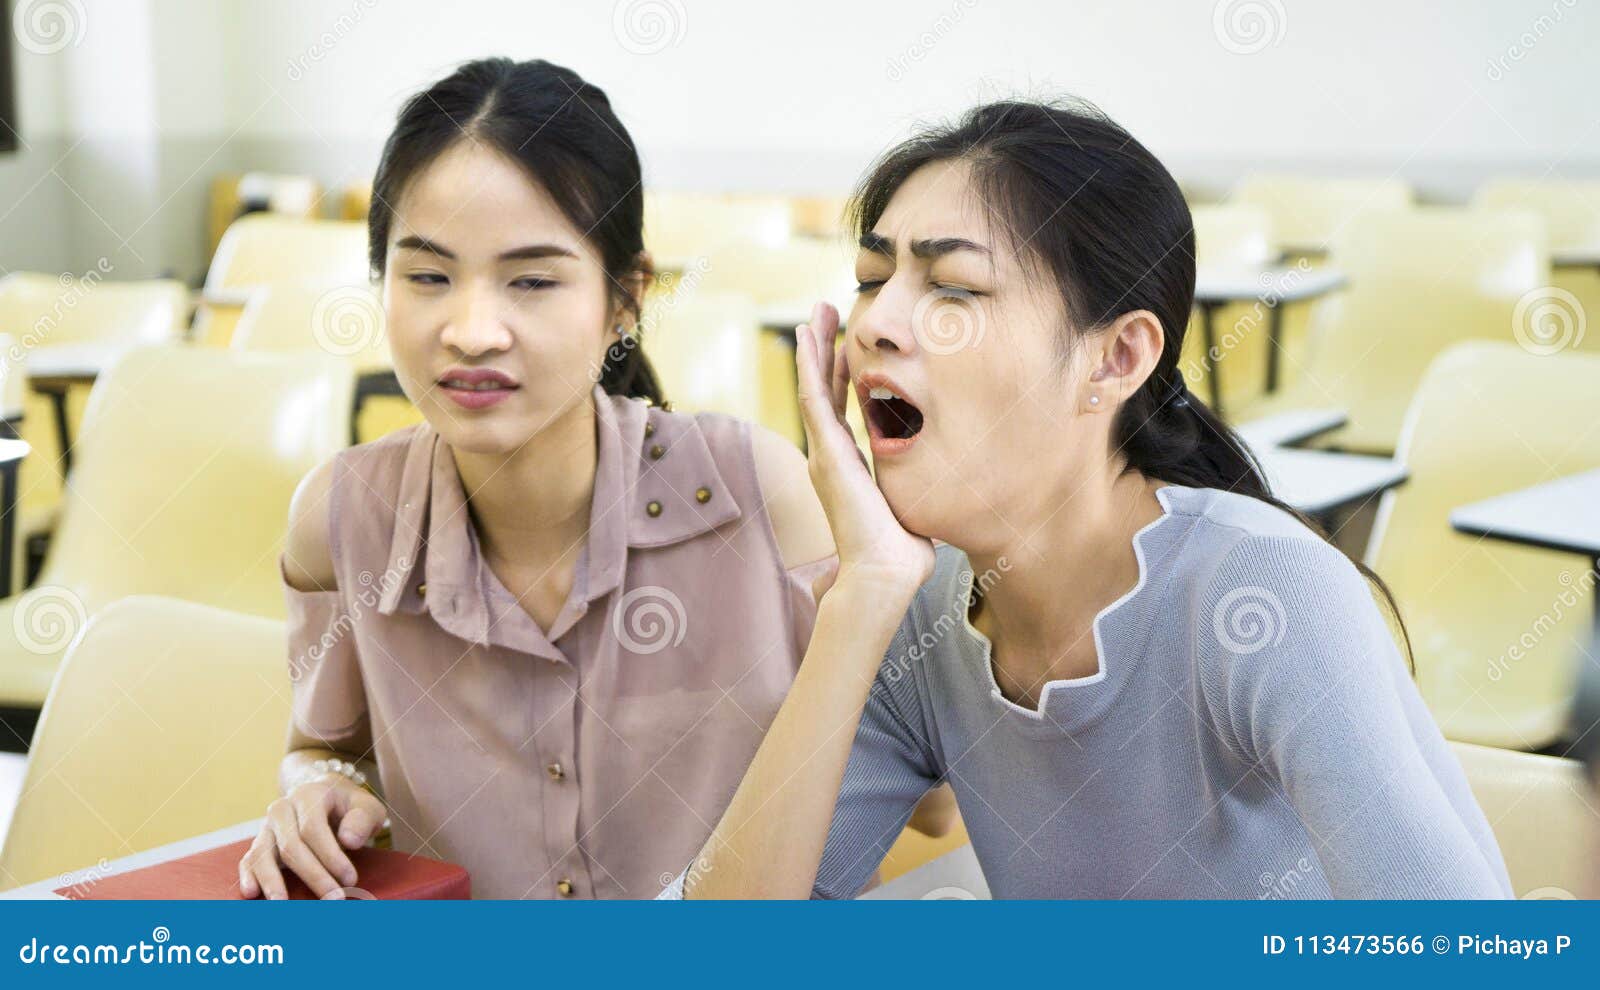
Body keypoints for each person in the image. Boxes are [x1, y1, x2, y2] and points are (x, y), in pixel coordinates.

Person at [667, 99, 1512, 899]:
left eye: (954, 288)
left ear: (1114, 359)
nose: (878, 323)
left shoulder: (1264, 595)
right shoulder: (918, 617)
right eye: (871, 277)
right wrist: (861, 603)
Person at [236, 57, 840, 899]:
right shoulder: (341, 518)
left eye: (531, 281)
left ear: (624, 298)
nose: (472, 331)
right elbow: (329, 749)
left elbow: (919, 798)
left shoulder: (763, 497)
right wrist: (312, 792)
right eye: (428, 277)